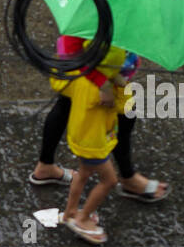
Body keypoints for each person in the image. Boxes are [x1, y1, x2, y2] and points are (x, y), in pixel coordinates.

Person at [30, 36, 169, 204]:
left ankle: (46, 166)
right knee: (124, 118)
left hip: (98, 73)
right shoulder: (101, 15)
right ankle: (126, 179)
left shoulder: (114, 16)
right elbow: (68, 48)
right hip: (92, 77)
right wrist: (103, 84)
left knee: (65, 105)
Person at [59, 45, 131, 244]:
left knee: (83, 174)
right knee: (109, 181)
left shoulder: (83, 77)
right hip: (93, 144)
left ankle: (70, 212)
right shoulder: (103, 93)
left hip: (80, 137)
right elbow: (123, 107)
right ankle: (82, 219)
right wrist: (122, 85)